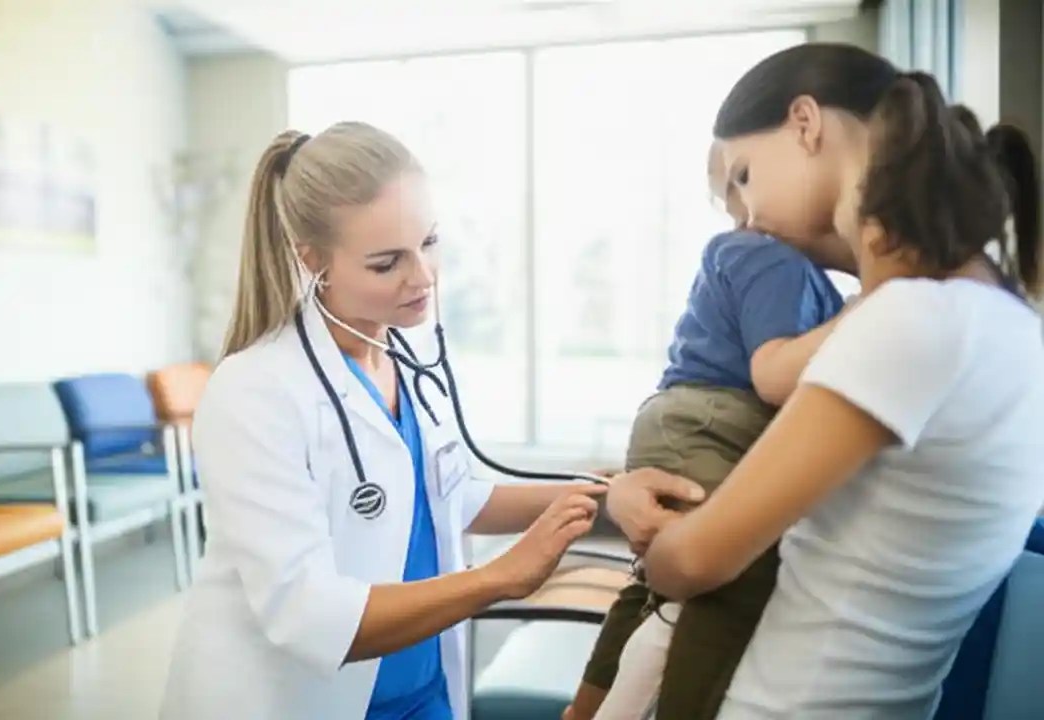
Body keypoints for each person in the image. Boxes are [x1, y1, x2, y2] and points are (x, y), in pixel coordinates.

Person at [158, 122, 705, 720]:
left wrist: (607, 497)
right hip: (295, 699)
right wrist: (498, 578)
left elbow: (451, 495)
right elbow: (307, 614)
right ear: (312, 261)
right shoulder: (254, 391)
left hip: (424, 689)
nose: (423, 277)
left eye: (430, 243)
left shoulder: (406, 359)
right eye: (387, 262)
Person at [642, 44, 1044, 719]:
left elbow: (696, 562)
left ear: (805, 124)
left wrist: (652, 541)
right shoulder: (1010, 322)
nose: (744, 215)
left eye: (744, 175)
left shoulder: (911, 321)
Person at [565, 142, 851, 720]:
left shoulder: (779, 266)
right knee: (732, 575)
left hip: (689, 421)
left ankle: (588, 711)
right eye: (737, 187)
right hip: (713, 422)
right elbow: (772, 375)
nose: (746, 209)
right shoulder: (769, 257)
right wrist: (860, 313)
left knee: (654, 585)